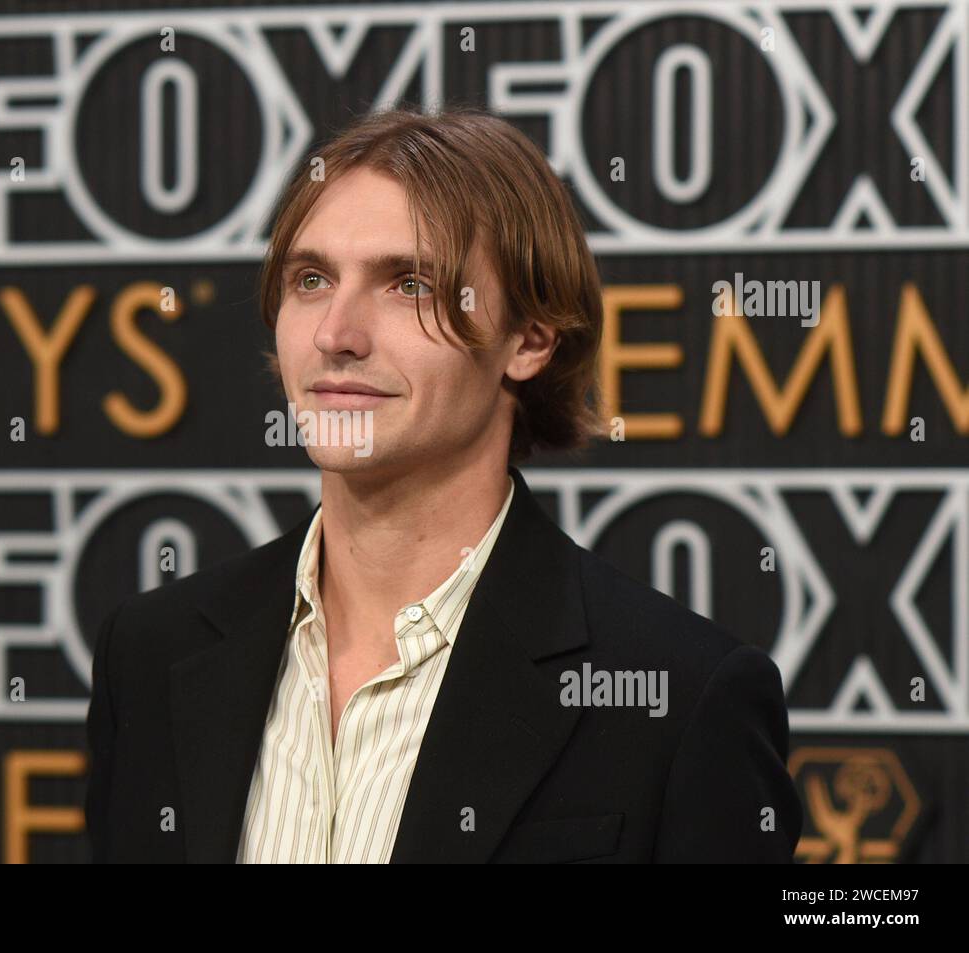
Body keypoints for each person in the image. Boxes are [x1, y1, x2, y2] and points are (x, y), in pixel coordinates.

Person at [85, 105, 802, 863]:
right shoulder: (150, 653)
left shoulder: (679, 697)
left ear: (529, 339)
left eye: (409, 284)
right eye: (311, 278)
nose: (336, 333)